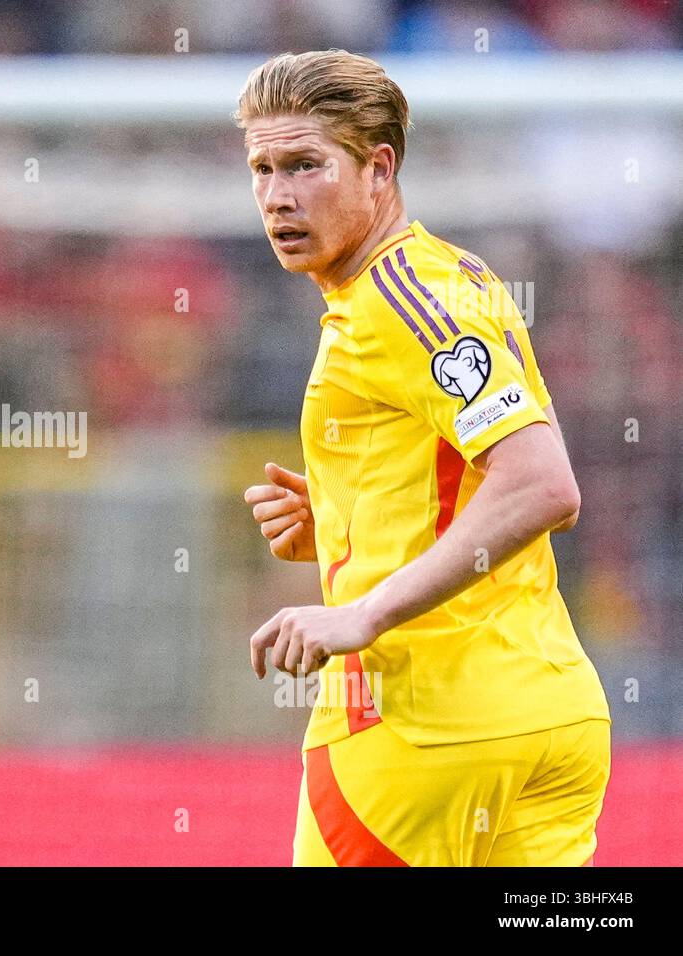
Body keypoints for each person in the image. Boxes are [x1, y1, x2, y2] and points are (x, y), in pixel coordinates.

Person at [236, 50, 611, 866]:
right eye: (262, 168)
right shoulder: (449, 275)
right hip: (552, 716)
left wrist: (360, 612)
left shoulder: (394, 304)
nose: (277, 196)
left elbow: (542, 482)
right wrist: (344, 515)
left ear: (379, 167)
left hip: (421, 725)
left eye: (305, 164)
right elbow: (472, 472)